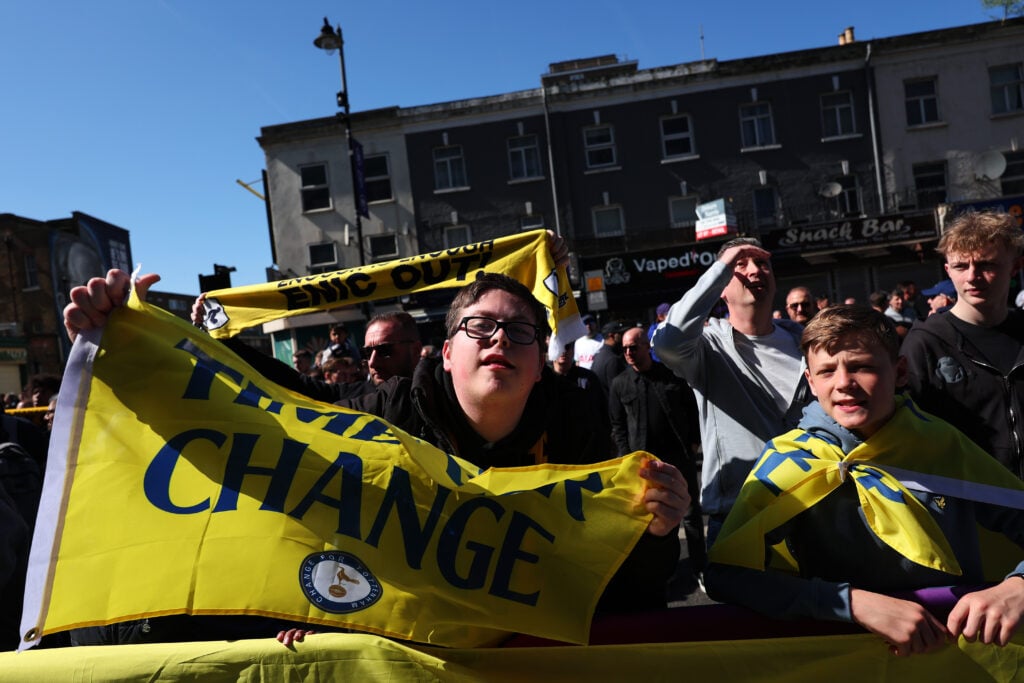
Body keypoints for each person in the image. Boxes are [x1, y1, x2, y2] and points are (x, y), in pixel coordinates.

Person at [64, 267, 688, 645]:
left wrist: (659, 528)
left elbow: (619, 579)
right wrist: (149, 336)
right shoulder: (386, 410)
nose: (501, 339)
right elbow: (279, 403)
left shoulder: (579, 427)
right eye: (480, 327)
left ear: (536, 364)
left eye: (521, 330)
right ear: (444, 354)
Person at [704, 305, 1024, 657]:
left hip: (955, 658)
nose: (843, 383)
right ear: (810, 382)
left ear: (900, 372)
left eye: (862, 366)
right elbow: (726, 574)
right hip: (846, 663)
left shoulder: (941, 445)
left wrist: (1018, 586)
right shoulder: (788, 459)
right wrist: (848, 603)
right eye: (827, 371)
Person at [653, 237, 811, 544]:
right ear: (721, 286)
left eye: (762, 263)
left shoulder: (807, 342)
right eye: (740, 265)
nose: (754, 270)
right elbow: (668, 342)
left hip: (812, 510)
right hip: (741, 516)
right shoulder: (708, 347)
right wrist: (721, 266)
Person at [902, 211, 1024, 479]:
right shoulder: (925, 343)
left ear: (1015, 267)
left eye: (986, 265)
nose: (972, 276)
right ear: (947, 269)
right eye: (960, 267)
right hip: (972, 510)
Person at [608, 327, 705, 585]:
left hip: (678, 458)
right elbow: (617, 425)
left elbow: (692, 409)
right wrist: (626, 459)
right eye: (625, 348)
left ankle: (700, 568)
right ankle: (667, 569)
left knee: (691, 514)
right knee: (656, 518)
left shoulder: (670, 377)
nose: (628, 352)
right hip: (643, 467)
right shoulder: (620, 384)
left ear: (646, 347)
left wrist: (694, 442)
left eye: (633, 347)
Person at [362, 311, 423, 386]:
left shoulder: (436, 391)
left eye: (384, 350)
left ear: (416, 350)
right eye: (368, 352)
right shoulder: (356, 395)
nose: (372, 363)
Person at [590, 320, 630, 395]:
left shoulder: (598, 355)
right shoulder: (613, 360)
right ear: (611, 336)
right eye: (620, 334)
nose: (623, 336)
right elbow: (618, 392)